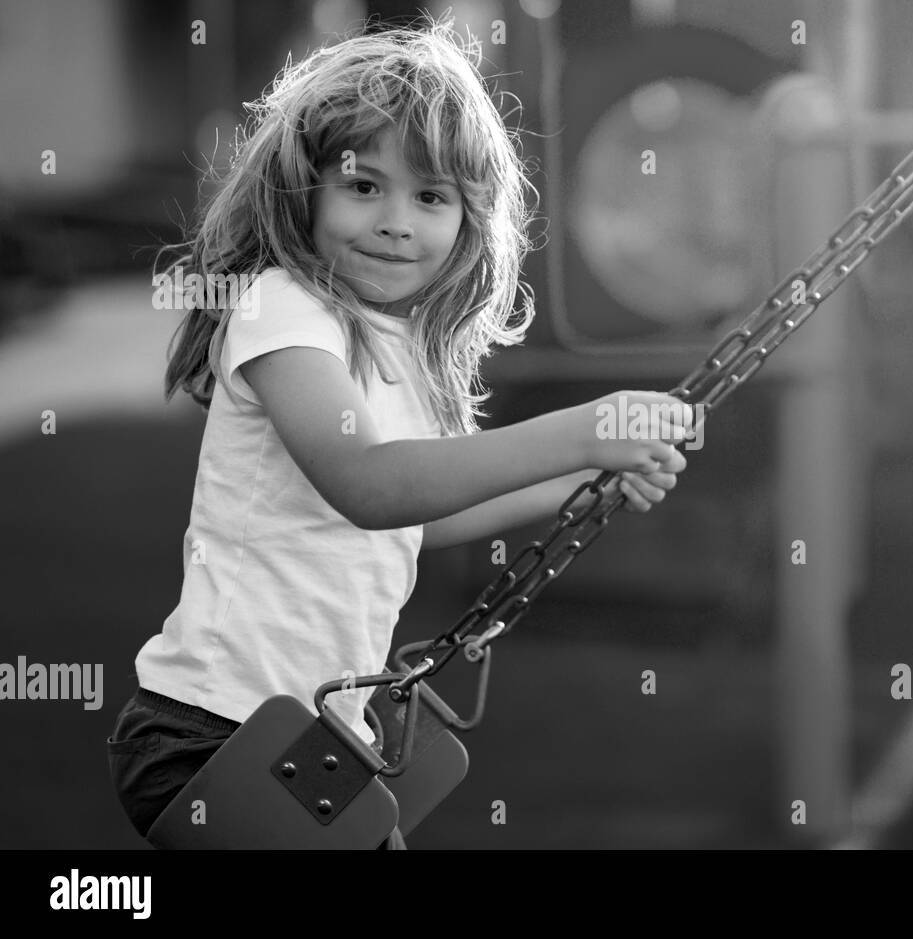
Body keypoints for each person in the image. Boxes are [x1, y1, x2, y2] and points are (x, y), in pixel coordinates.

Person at [105, 13, 690, 850]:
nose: (396, 221)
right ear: (306, 189)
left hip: (313, 739)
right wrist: (581, 431)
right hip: (210, 729)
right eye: (364, 185)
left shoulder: (406, 348)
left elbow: (419, 514)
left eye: (431, 197)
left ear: (467, 222)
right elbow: (369, 484)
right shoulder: (283, 308)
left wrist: (580, 479)